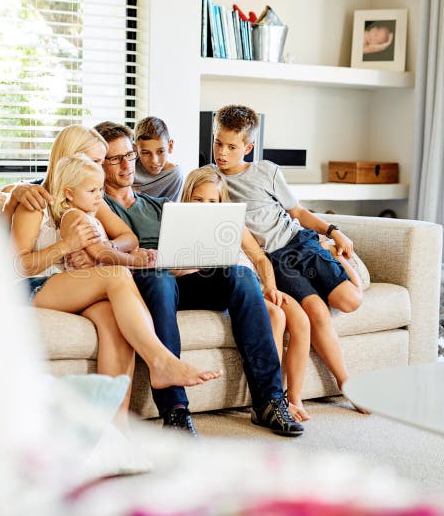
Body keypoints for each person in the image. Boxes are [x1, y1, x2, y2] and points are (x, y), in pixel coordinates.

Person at [89, 121, 303, 437]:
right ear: (98, 163)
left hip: (183, 279)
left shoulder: (159, 205)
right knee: (161, 280)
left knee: (242, 276)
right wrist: (21, 189)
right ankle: (175, 411)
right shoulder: (94, 201)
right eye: (114, 158)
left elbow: (196, 236)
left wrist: (192, 257)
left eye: (129, 156)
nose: (126, 165)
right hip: (142, 285)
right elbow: (54, 184)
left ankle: (269, 401)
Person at [9, 126, 221, 419]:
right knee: (117, 276)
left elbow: (125, 238)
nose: (103, 171)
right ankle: (160, 360)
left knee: (116, 322)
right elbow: (16, 265)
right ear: (71, 163)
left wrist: (108, 248)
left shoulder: (90, 204)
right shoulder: (36, 204)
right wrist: (66, 246)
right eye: (96, 162)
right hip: (31, 285)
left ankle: (114, 427)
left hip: (71, 286)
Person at [211, 105, 367, 413]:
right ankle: (345, 385)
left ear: (248, 147)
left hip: (301, 242)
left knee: (351, 301)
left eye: (232, 146)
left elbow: (297, 213)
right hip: (275, 259)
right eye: (218, 143)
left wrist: (334, 233)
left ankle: (334, 257)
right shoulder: (213, 182)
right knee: (316, 313)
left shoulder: (266, 171)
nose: (223, 152)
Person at [181, 165, 313, 422]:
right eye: (199, 200)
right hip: (224, 290)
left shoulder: (232, 225)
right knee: (275, 315)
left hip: (252, 282)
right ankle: (270, 399)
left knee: (295, 314)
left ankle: (287, 398)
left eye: (213, 201)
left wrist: (271, 287)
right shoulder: (183, 225)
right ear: (187, 197)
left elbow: (261, 260)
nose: (207, 207)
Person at [132, 116, 184, 201]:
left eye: (160, 151)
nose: (154, 161)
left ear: (170, 146)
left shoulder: (174, 175)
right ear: (135, 149)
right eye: (146, 153)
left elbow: (167, 210)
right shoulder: (128, 166)